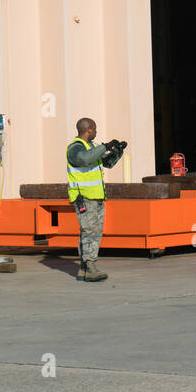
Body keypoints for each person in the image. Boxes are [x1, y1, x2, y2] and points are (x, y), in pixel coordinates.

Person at [66, 117, 120, 282]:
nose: (96, 133)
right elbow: (83, 159)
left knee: (94, 231)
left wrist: (117, 151)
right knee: (89, 231)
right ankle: (90, 266)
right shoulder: (75, 148)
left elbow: (107, 163)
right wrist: (105, 146)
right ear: (89, 130)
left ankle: (84, 268)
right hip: (84, 197)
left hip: (96, 197)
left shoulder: (93, 147)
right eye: (95, 130)